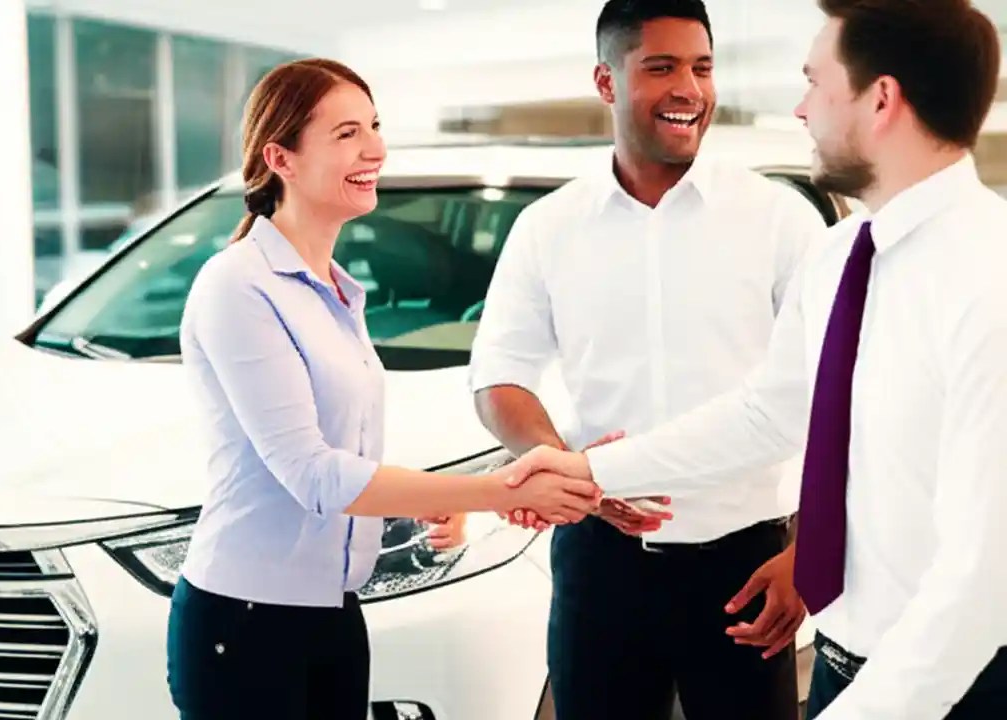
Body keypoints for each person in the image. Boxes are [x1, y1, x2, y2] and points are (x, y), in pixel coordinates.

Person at [557, 1, 1007, 717]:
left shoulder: (989, 275)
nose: (800, 109)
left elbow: (985, 577)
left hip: (962, 682)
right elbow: (769, 414)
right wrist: (591, 472)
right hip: (842, 661)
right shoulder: (842, 255)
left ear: (881, 100)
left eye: (815, 83)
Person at [165, 58, 600, 720]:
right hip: (245, 624)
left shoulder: (338, 289)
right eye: (347, 134)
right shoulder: (238, 285)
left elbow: (347, 451)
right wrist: (493, 492)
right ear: (280, 158)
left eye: (374, 126)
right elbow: (312, 474)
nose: (375, 149)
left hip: (334, 613)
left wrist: (427, 501)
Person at [448, 1, 831, 717]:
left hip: (745, 563)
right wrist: (571, 473)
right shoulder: (548, 227)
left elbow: (829, 396)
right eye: (661, 67)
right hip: (600, 568)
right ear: (606, 82)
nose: (689, 88)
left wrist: (808, 551)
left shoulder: (779, 219)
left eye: (702, 67)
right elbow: (497, 377)